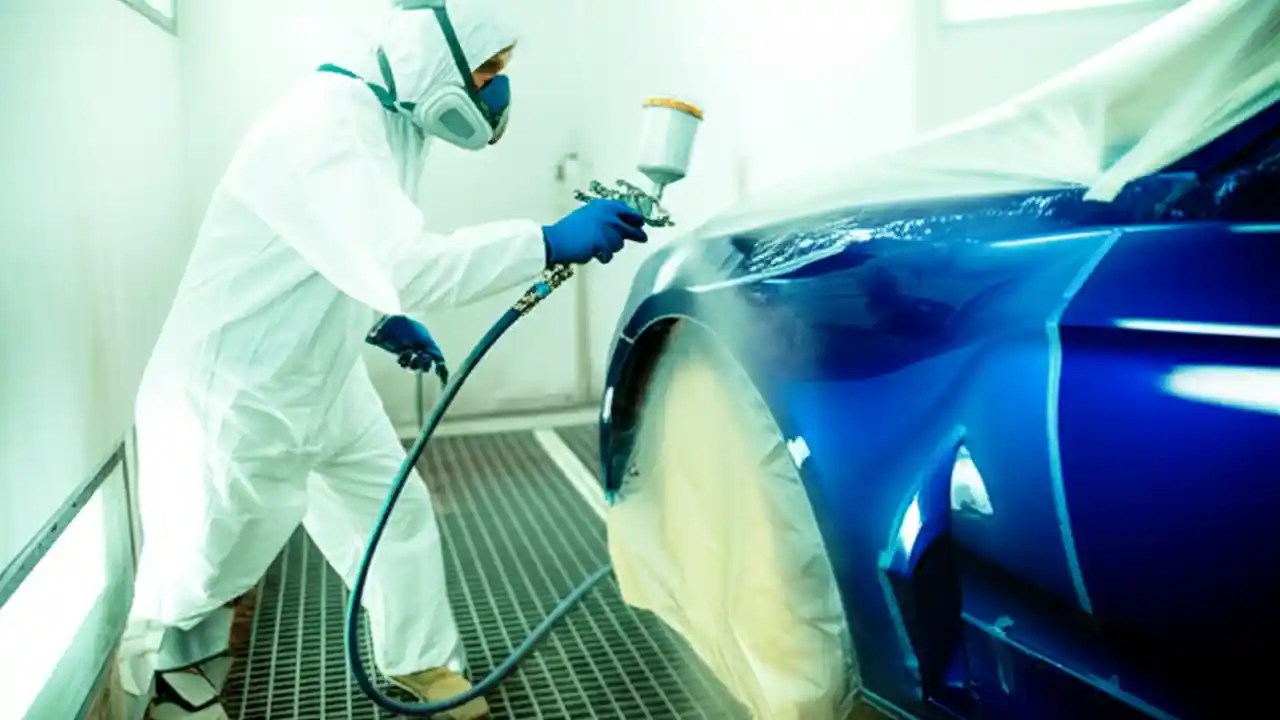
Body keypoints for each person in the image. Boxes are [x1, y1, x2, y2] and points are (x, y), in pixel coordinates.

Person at [116, 1, 645, 718]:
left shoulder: (390, 122)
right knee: (199, 576)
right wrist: (546, 241)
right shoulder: (323, 127)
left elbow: (339, 249)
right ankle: (157, 697)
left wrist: (379, 317)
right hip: (236, 394)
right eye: (488, 69)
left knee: (392, 512)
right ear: (438, 60)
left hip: (320, 375)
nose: (496, 90)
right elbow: (405, 260)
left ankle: (421, 665)